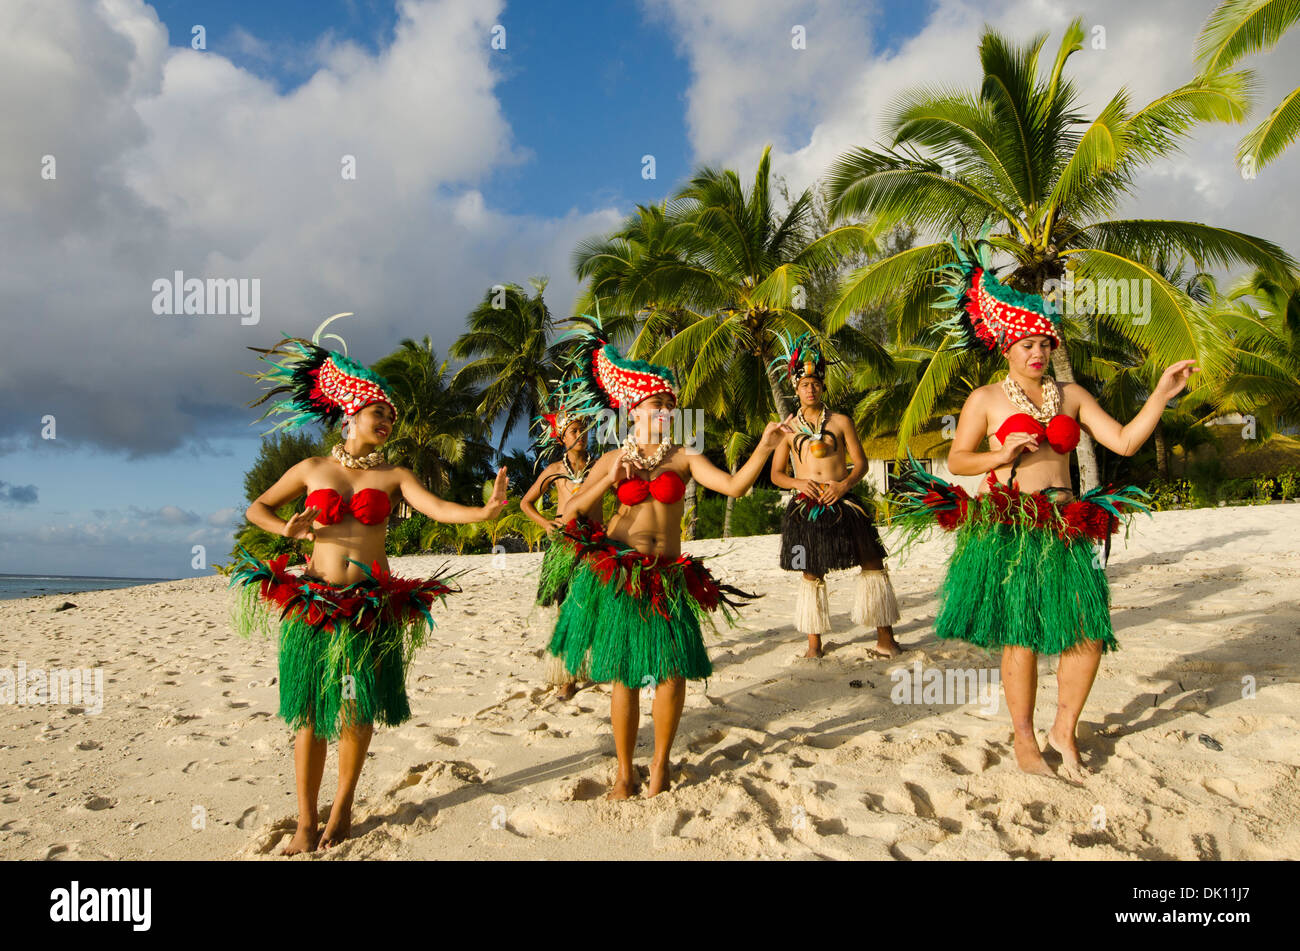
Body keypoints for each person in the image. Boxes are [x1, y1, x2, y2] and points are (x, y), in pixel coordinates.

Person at [890, 236, 1195, 781]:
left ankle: (1065, 729)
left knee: (1088, 632)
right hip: (1012, 526)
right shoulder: (985, 399)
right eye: (1027, 343)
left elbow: (1123, 442)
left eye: (1045, 342)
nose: (1038, 352)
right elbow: (958, 460)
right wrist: (1000, 451)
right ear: (1005, 345)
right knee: (1023, 635)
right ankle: (1025, 739)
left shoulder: (1071, 395)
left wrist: (1160, 396)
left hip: (1068, 523)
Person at [230, 313, 509, 853]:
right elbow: (256, 508)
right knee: (310, 714)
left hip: (368, 609)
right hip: (314, 604)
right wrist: (285, 531)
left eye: (391, 416)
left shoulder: (394, 476)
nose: (386, 420)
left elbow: (437, 508)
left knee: (356, 710)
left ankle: (342, 810)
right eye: (377, 411)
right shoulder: (312, 468)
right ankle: (306, 821)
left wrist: (483, 512)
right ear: (348, 417)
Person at [544, 314, 793, 799]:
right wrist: (583, 502)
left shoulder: (685, 457)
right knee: (625, 673)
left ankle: (659, 766)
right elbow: (575, 508)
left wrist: (764, 447)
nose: (664, 412)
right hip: (621, 573)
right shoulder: (616, 460)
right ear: (634, 410)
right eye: (655, 404)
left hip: (668, 575)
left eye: (669, 405)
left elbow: (735, 487)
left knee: (673, 670)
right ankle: (623, 772)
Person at [768, 332, 901, 659]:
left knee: (872, 561)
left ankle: (886, 639)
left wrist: (844, 485)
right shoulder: (787, 429)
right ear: (796, 390)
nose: (810, 389)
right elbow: (776, 475)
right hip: (806, 506)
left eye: (815, 383)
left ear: (823, 387)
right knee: (811, 569)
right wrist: (798, 485)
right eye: (803, 385)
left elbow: (863, 463)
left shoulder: (841, 421)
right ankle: (814, 646)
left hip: (843, 501)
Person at [520, 386, 592, 699]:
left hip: (595, 543)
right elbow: (526, 503)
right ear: (562, 437)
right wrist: (546, 523)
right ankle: (567, 677)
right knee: (566, 609)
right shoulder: (554, 471)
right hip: (565, 545)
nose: (581, 435)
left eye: (585, 429)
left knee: (592, 606)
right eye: (575, 430)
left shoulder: (599, 466)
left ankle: (593, 665)